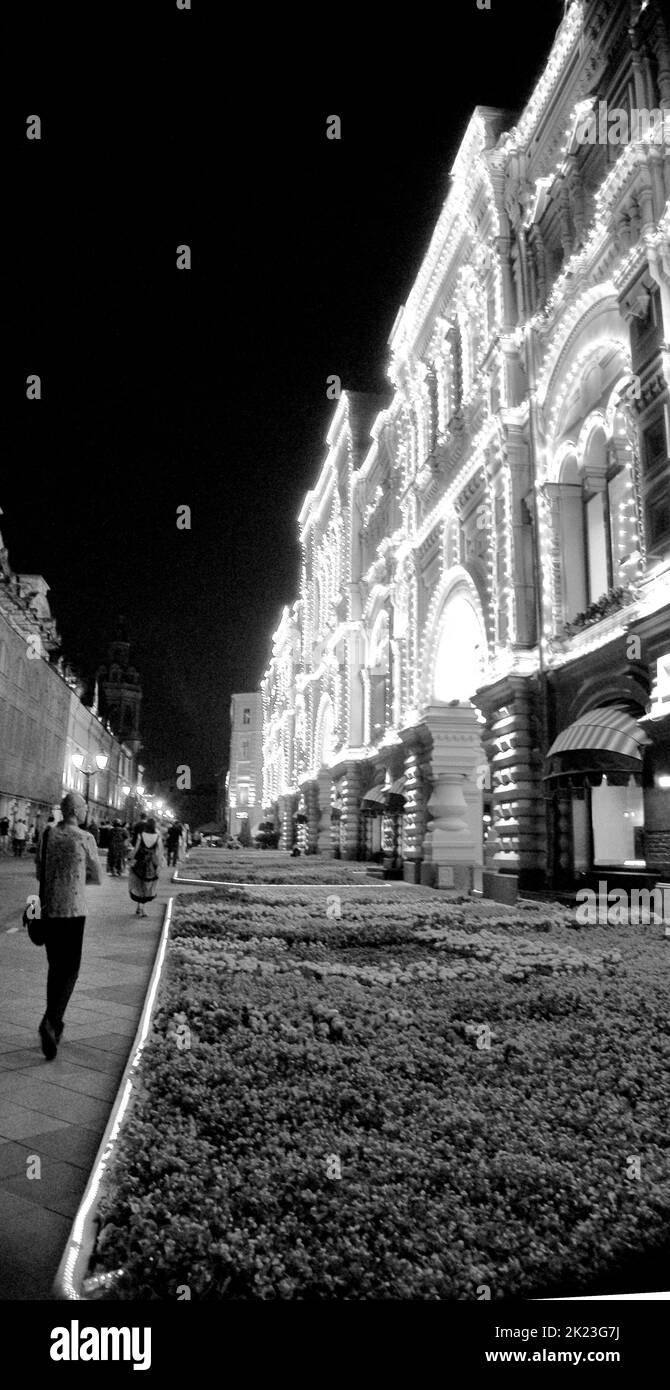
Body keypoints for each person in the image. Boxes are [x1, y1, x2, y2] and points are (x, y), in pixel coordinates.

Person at [37, 791, 101, 1061]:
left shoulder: (48, 834)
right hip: (74, 911)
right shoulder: (86, 838)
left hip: (49, 909)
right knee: (71, 970)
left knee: (55, 967)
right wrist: (76, 878)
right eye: (85, 807)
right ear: (77, 810)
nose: (87, 811)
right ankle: (51, 1021)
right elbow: (96, 875)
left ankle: (54, 1022)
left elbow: (40, 872)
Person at [128, 816, 164, 918]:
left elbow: (136, 849)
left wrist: (131, 858)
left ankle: (139, 906)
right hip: (151, 864)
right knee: (148, 885)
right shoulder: (157, 836)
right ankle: (143, 909)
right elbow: (160, 852)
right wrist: (159, 865)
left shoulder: (141, 835)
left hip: (140, 862)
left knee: (139, 884)